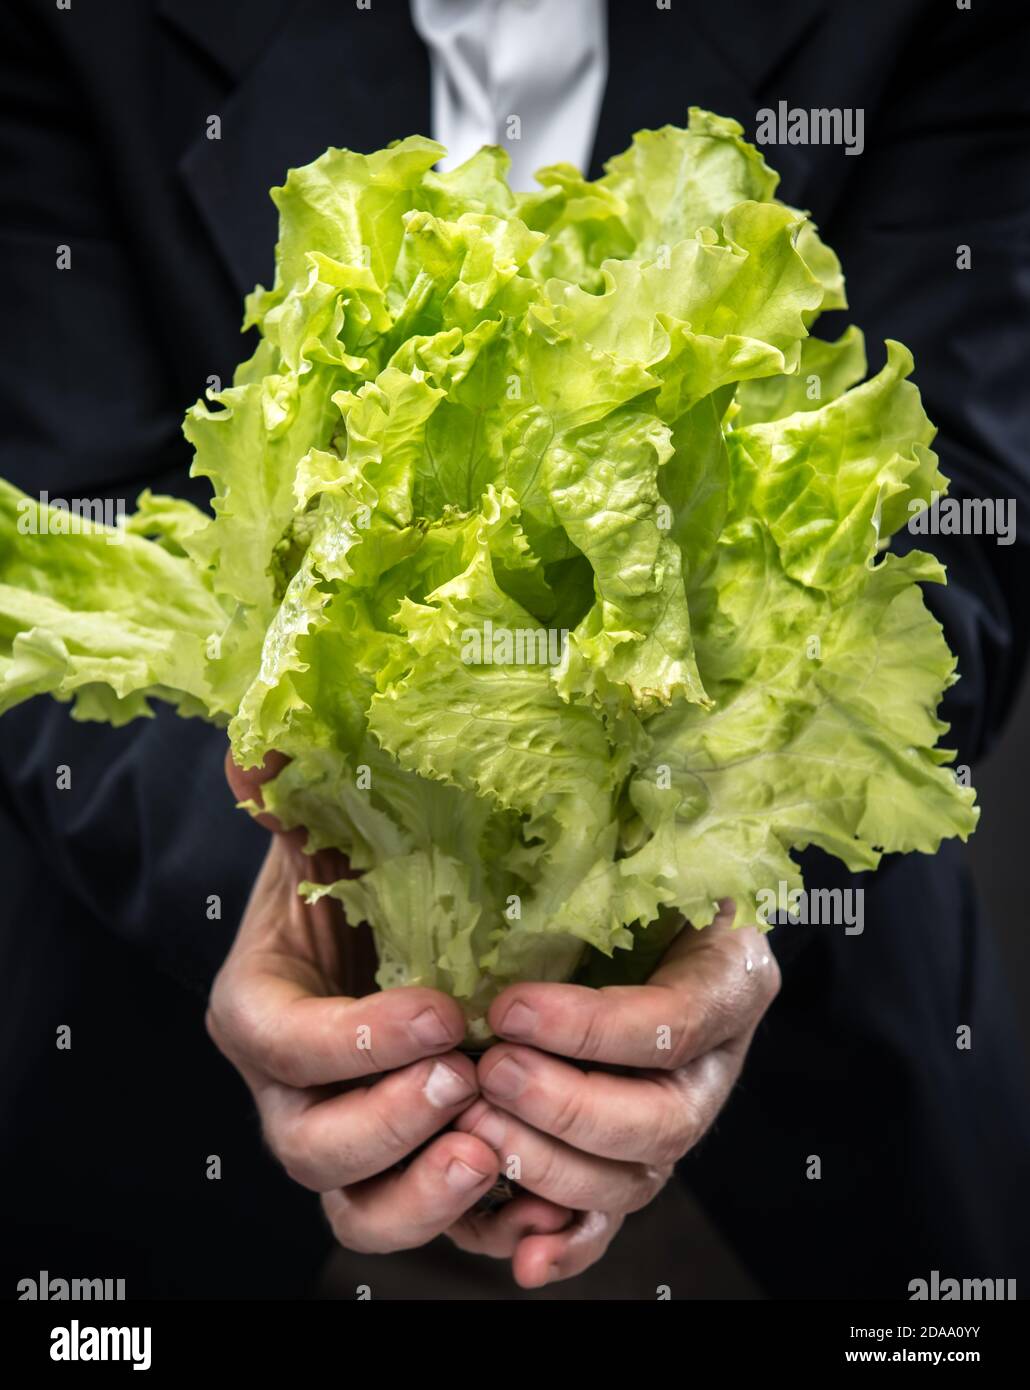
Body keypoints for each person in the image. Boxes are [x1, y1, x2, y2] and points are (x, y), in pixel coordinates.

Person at [2, 0, 1028, 1299]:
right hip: (157, 1029)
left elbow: (947, 534)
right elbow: (50, 554)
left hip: (821, 1046)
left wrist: (702, 864)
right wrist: (314, 871)